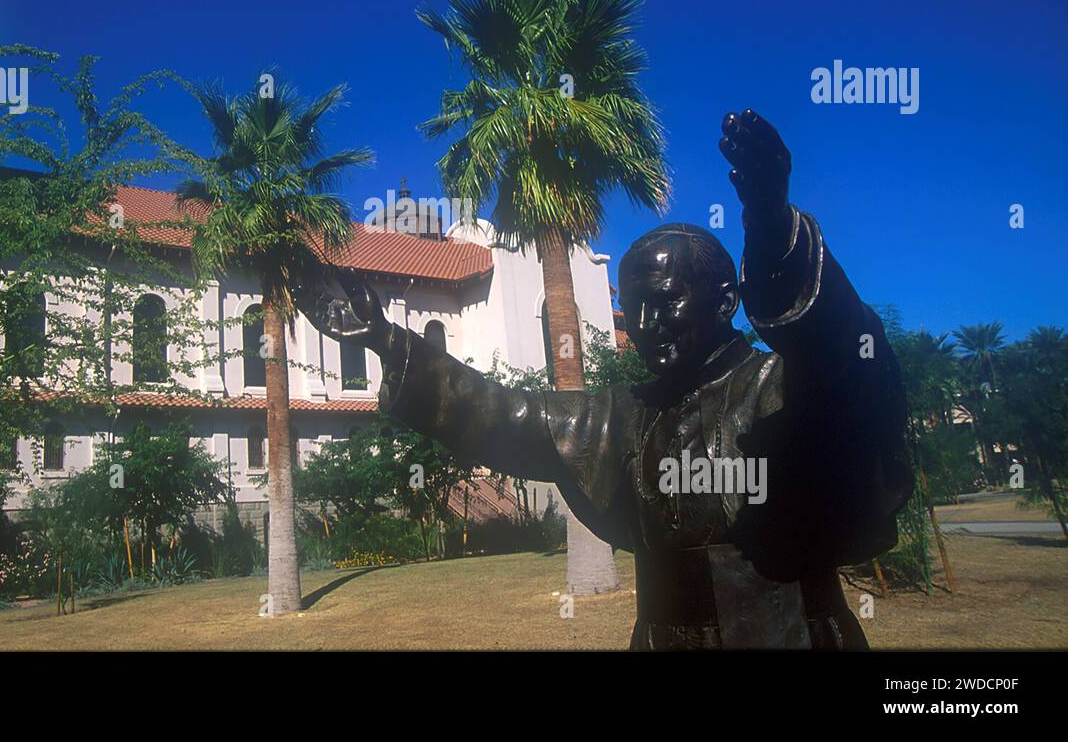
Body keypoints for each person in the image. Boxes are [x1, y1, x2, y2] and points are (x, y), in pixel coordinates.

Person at [297, 110, 912, 650]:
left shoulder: (784, 388)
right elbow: (500, 414)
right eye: (633, 305)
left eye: (665, 301)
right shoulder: (621, 416)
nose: (642, 325)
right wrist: (385, 338)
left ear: (725, 300)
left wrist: (773, 227)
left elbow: (843, 358)